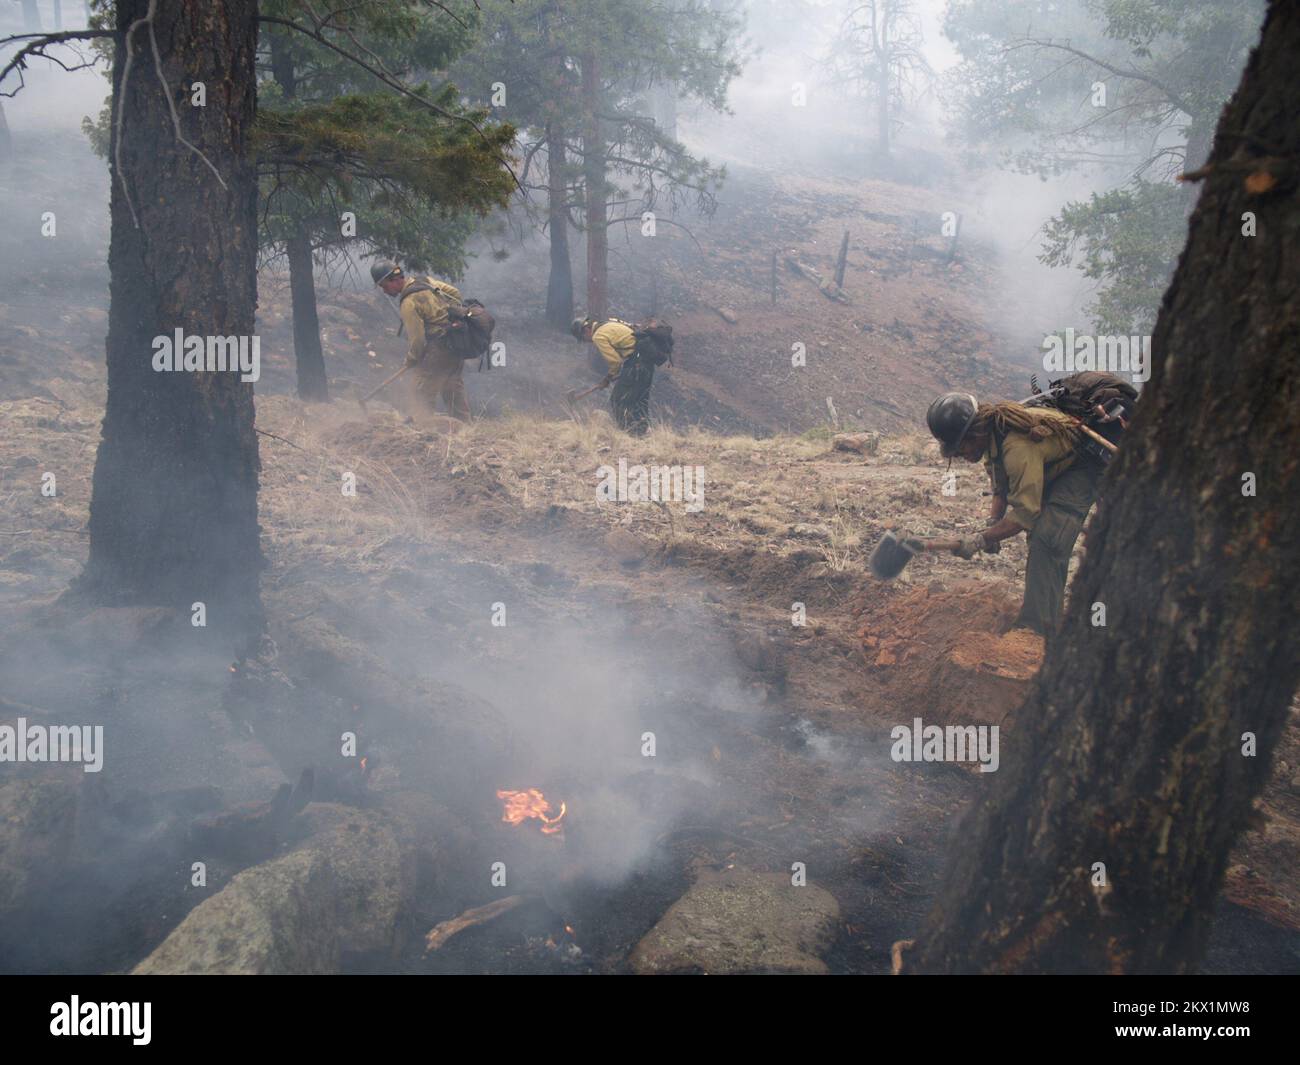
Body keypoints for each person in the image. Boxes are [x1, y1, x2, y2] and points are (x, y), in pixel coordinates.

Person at [926, 391, 1104, 635]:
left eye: (960, 448)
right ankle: (1046, 619)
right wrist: (992, 523)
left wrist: (981, 540)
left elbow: (1025, 513)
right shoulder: (992, 439)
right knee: (1042, 541)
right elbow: (1000, 488)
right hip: (1054, 469)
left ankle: (1035, 631)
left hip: (1082, 469)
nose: (960, 455)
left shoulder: (1016, 446)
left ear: (974, 434)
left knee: (1048, 540)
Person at [371, 261, 470, 422]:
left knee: (420, 390)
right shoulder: (426, 282)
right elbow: (455, 293)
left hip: (438, 350)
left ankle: (423, 430)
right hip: (456, 343)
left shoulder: (408, 303)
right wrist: (451, 316)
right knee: (452, 387)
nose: (384, 290)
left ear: (393, 281)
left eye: (384, 286)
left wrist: (411, 359)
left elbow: (417, 340)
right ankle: (465, 429)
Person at [571, 315, 656, 436]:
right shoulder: (608, 323)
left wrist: (607, 379)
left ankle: (630, 434)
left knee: (618, 399)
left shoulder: (598, 336)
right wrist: (615, 374)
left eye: (584, 338)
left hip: (636, 362)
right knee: (640, 399)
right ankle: (643, 433)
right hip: (646, 360)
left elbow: (615, 362)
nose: (587, 341)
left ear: (586, 330)